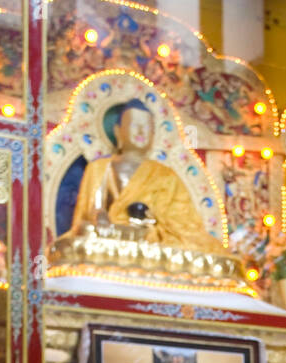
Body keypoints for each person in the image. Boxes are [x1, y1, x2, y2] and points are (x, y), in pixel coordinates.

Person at [65, 101, 218, 253]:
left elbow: (184, 224)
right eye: (134, 125)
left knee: (211, 250)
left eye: (146, 127)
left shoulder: (166, 175)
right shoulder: (98, 167)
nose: (140, 132)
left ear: (153, 135)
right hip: (107, 237)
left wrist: (151, 228)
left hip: (150, 242)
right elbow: (85, 216)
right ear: (118, 131)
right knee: (84, 234)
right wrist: (98, 216)